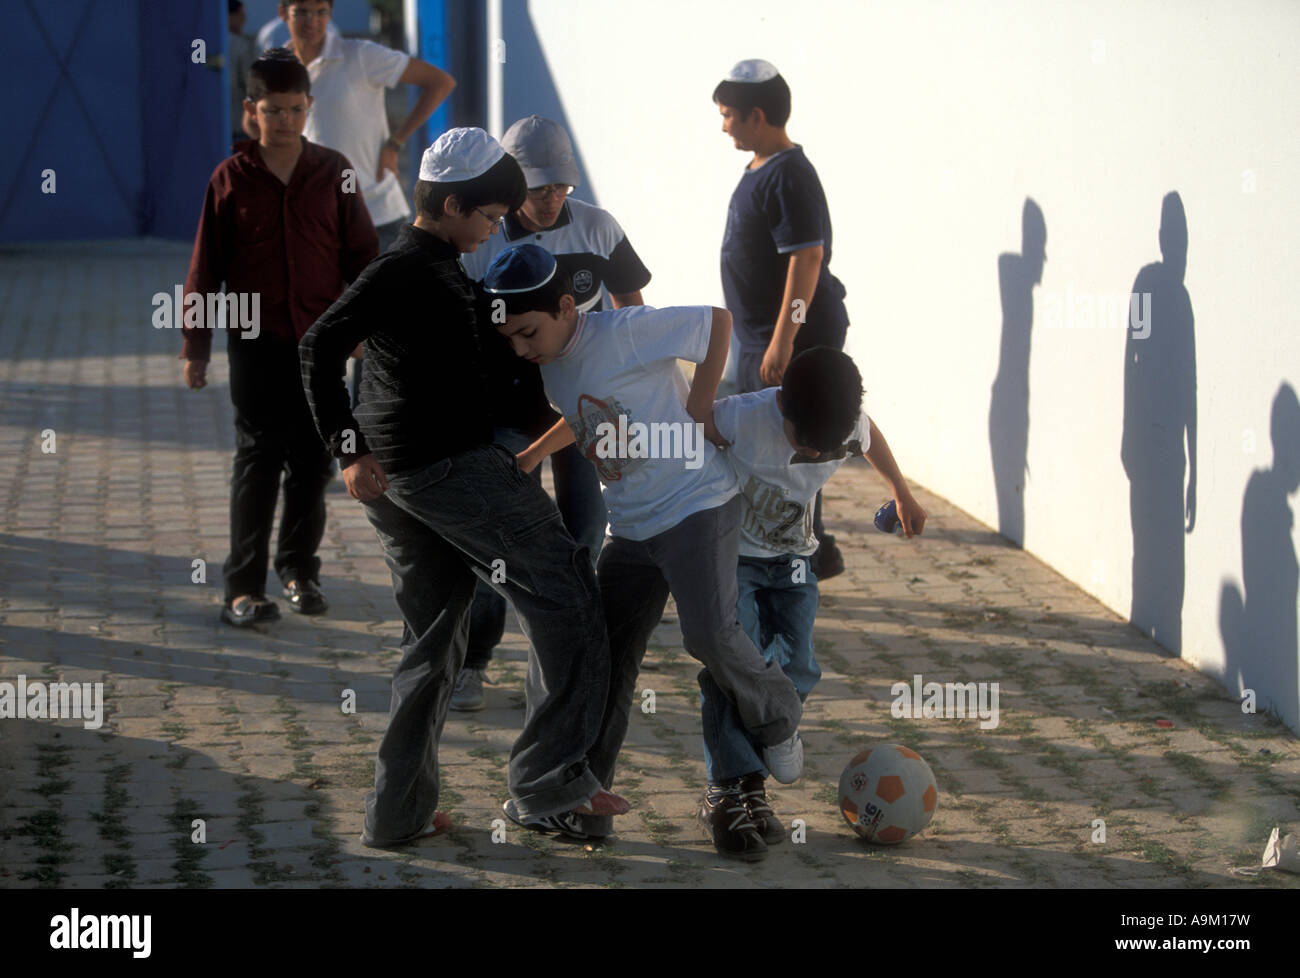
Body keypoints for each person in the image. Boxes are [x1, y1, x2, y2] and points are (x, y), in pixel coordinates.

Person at [299, 129, 628, 847]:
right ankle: (548, 785)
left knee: (434, 638)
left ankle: (399, 813)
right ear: (451, 206)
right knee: (569, 582)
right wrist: (346, 449)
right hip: (439, 468)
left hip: (405, 481)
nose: (490, 230)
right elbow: (318, 345)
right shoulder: (407, 268)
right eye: (486, 217)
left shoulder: (445, 268)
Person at [485, 243, 804, 856]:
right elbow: (586, 416)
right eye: (512, 340)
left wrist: (702, 404)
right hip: (629, 528)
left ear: (564, 306)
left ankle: (779, 710)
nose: (522, 348)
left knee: (707, 635)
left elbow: (717, 322)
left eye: (528, 332)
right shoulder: (552, 360)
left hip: (696, 504)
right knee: (603, 659)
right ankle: (581, 798)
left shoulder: (624, 331)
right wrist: (532, 454)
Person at [452, 115, 652, 711]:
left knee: (586, 533)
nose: (550, 199)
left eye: (560, 187)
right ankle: (474, 661)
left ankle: (560, 663)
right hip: (507, 407)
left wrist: (626, 379)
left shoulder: (597, 226)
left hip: (582, 407)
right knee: (499, 538)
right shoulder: (483, 235)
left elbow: (633, 309)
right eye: (538, 189)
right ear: (512, 185)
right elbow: (462, 324)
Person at [181, 49, 378, 626]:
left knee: (313, 461)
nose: (285, 120)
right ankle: (241, 590)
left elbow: (364, 255)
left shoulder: (335, 170)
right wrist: (196, 347)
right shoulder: (230, 180)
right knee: (258, 458)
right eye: (273, 110)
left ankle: (299, 571)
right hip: (255, 342)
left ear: (309, 107)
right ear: (251, 110)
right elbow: (204, 269)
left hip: (321, 345)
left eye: (295, 109)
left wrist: (364, 325)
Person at [704, 347, 926, 855]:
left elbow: (871, 439)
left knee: (798, 666)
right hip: (733, 558)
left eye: (829, 453)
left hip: (796, 561)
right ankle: (732, 787)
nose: (819, 460)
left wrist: (901, 492)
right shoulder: (740, 416)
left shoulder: (847, 424)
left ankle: (761, 761)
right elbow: (695, 425)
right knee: (734, 670)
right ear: (781, 405)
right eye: (808, 450)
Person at [714, 58, 851, 580]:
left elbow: (808, 258)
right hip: (762, 339)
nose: (724, 125)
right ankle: (804, 549)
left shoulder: (791, 173)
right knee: (771, 449)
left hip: (792, 338)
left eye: (729, 115)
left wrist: (783, 339)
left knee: (793, 451)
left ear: (757, 115)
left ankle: (800, 557)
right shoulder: (760, 168)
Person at [227, 1, 258, 150]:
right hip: (239, 124)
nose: (244, 20)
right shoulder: (241, 45)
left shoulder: (207, 42)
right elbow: (251, 85)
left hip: (216, 122)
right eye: (241, 15)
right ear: (230, 17)